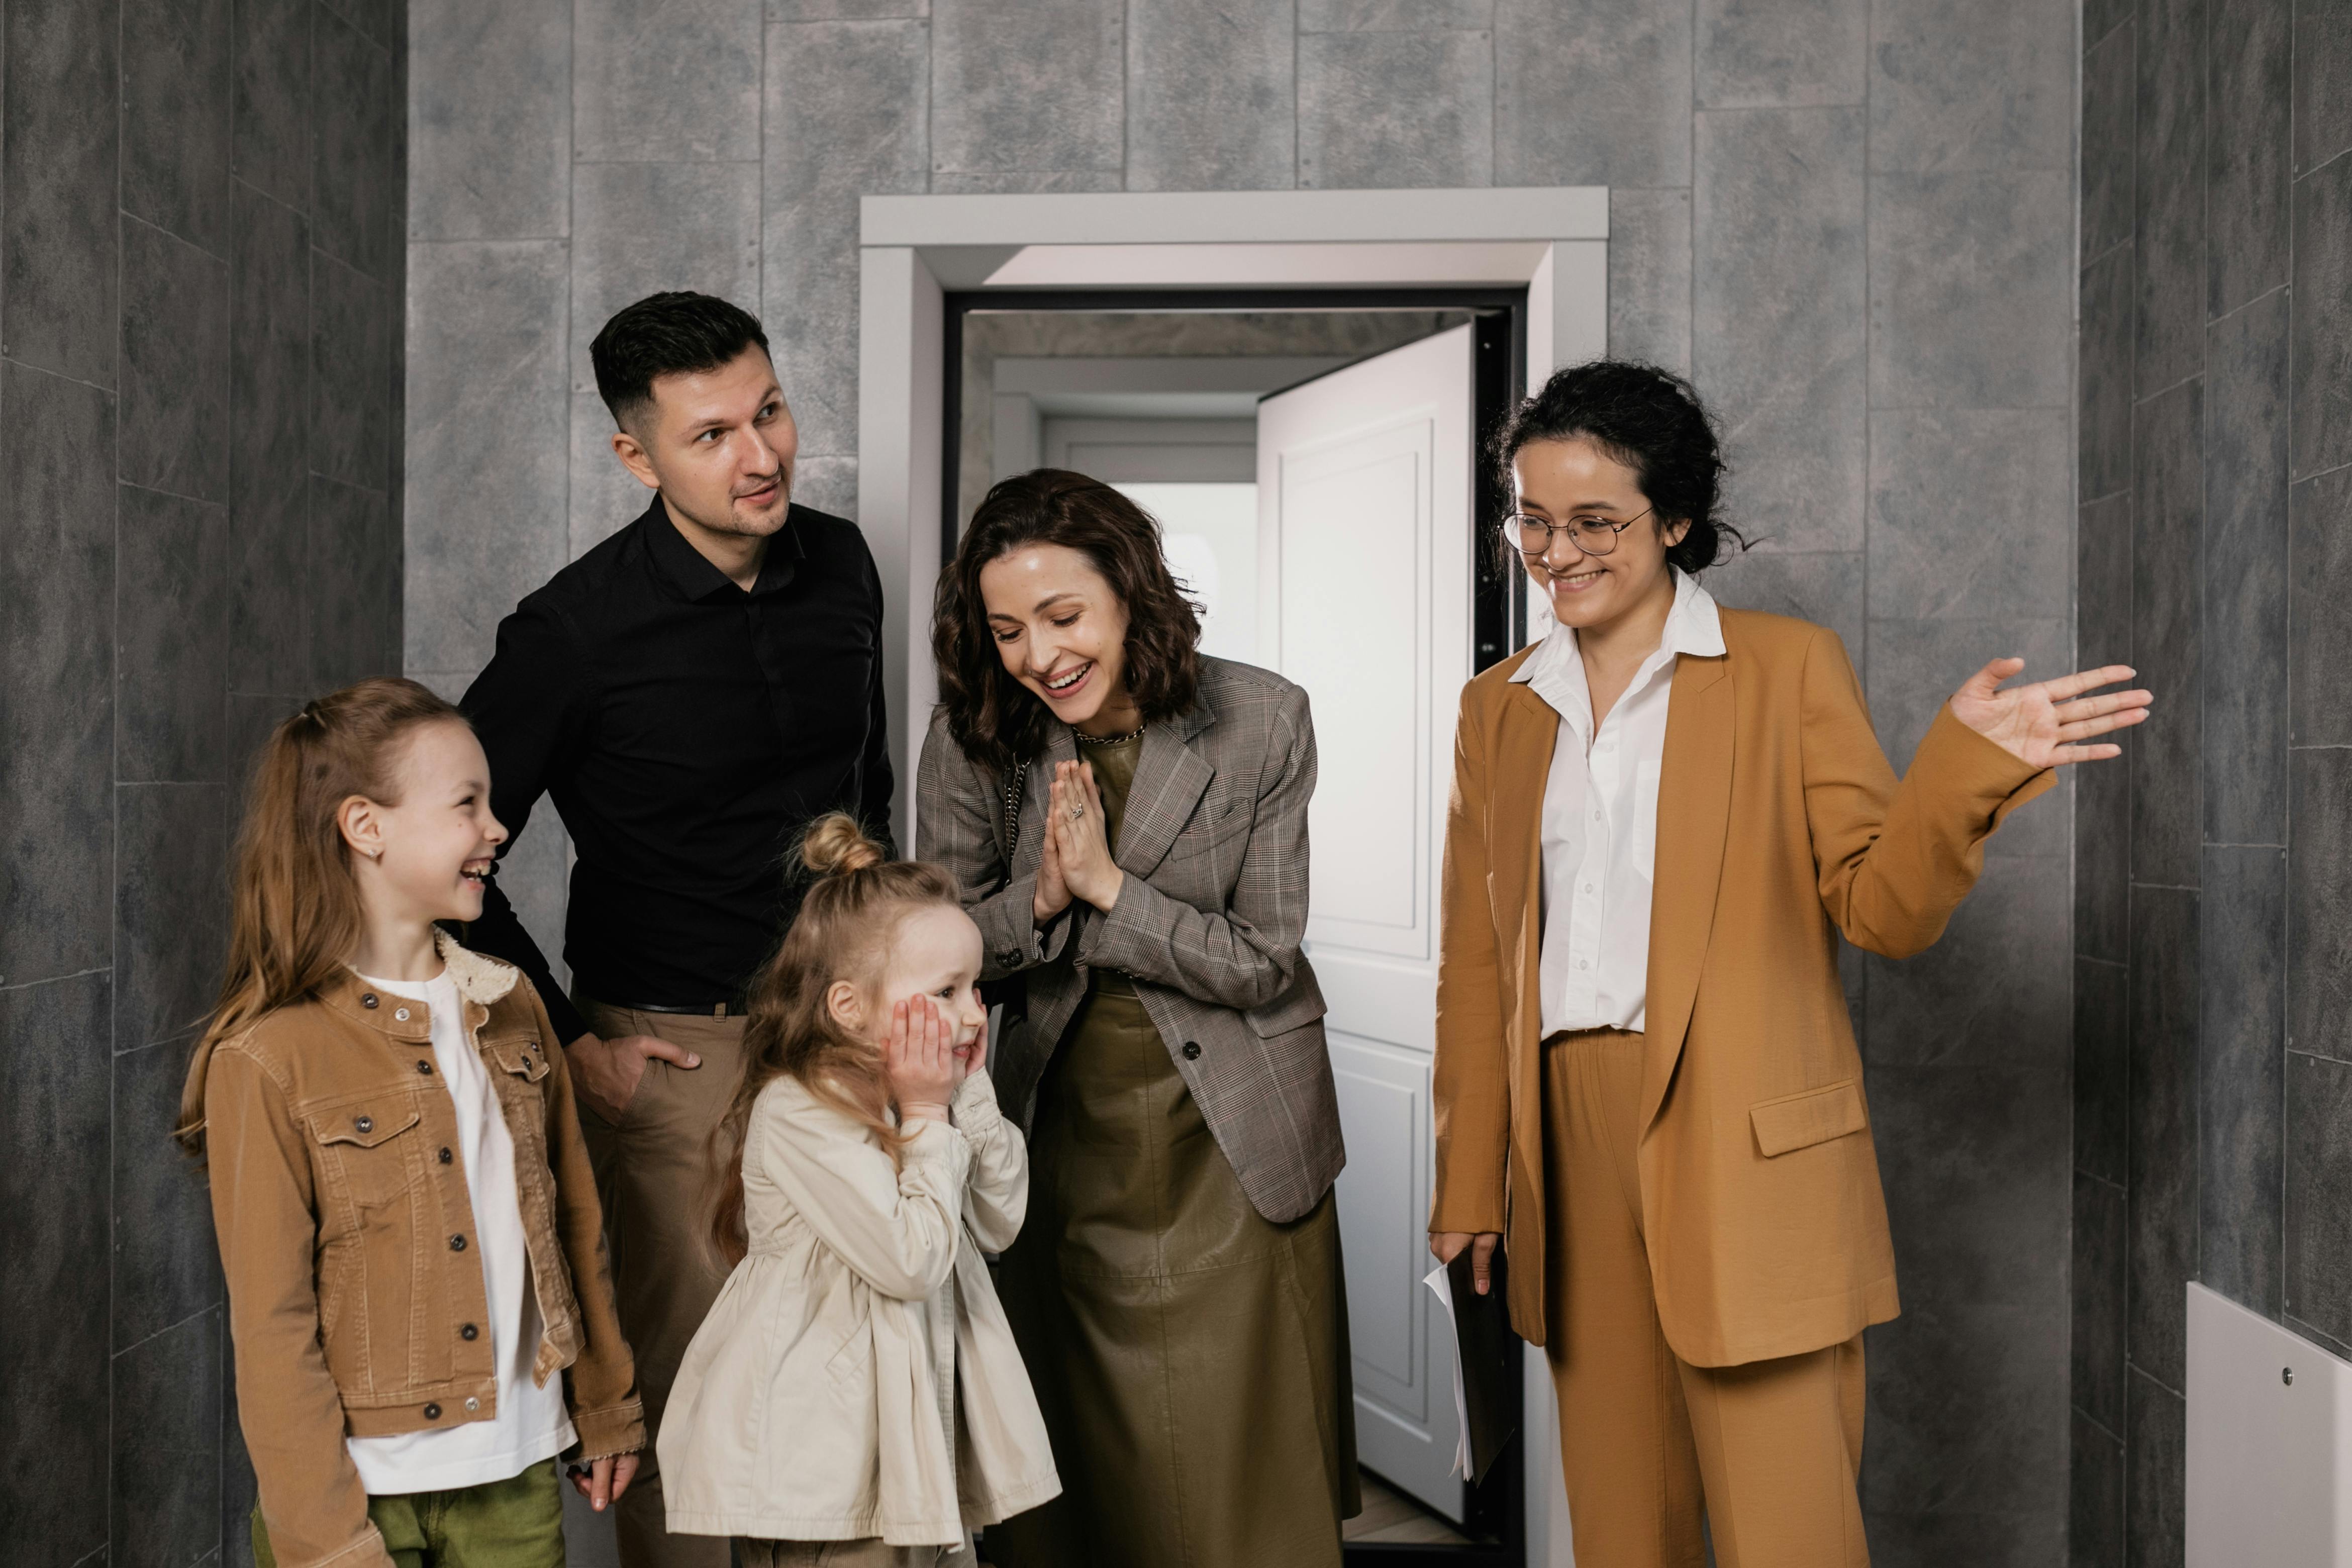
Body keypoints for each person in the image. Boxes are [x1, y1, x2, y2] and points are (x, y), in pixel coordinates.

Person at [1428, 362, 2152, 1567]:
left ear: (1672, 521)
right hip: (1566, 1143)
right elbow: (1475, 958)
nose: (1556, 551)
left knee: (1789, 1535)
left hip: (1750, 1139)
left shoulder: (1787, 667)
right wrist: (1469, 1179)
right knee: (1620, 1533)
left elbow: (1884, 908)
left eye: (1595, 521)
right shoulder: (1495, 708)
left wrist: (1962, 770)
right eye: (1533, 519)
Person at [458, 291, 893, 1566]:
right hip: (674, 1060)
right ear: (636, 458)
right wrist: (566, 1032)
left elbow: (867, 801)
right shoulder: (571, 632)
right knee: (704, 1417)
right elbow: (449, 852)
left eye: (769, 412)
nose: (761, 456)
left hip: (845, 1044)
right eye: (712, 435)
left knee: (857, 1394)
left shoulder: (849, 565)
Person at [917, 469, 1359, 1567]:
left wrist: (1114, 892)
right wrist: (1045, 902)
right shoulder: (978, 735)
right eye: (1009, 629)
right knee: (1071, 1481)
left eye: (1064, 618)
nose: (1039, 657)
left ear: (1131, 591)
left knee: (1234, 1479)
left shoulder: (1262, 717)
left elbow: (1263, 961)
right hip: (1054, 1132)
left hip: (1237, 1135)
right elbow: (938, 947)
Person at [176, 677, 644, 1568]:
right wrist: (324, 1539)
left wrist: (607, 1401)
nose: (496, 828)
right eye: (467, 804)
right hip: (356, 1497)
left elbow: (575, 1223)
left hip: (513, 1479)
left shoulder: (514, 1010)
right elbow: (272, 1324)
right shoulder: (268, 1058)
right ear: (366, 826)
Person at [657, 814, 1059, 1565]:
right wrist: (933, 1115)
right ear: (849, 1007)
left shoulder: (922, 1095)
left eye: (976, 987)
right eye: (946, 991)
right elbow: (909, 1262)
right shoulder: (801, 1111)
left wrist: (966, 1094)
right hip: (826, 1472)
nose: (975, 1012)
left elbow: (1000, 1220)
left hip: (916, 1446)